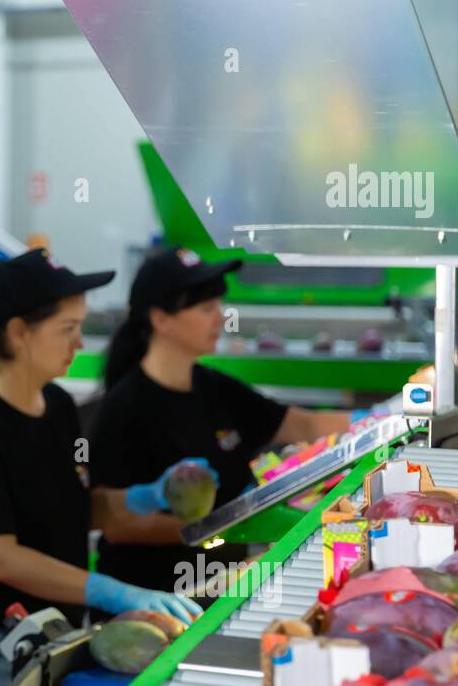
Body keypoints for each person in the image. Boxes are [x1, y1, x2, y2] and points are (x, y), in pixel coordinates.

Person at [0, 248, 206, 686]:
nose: (79, 342)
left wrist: (143, 498)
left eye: (81, 327)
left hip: (42, 640)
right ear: (19, 332)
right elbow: (0, 556)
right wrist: (115, 592)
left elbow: (76, 508)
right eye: (67, 329)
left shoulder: (61, 407)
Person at [90, 247, 355, 595]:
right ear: (161, 320)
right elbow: (116, 525)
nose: (220, 318)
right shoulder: (124, 408)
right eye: (205, 309)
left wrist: (388, 418)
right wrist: (221, 526)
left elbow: (300, 426)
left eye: (219, 305)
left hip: (225, 590)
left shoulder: (215, 388)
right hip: (159, 600)